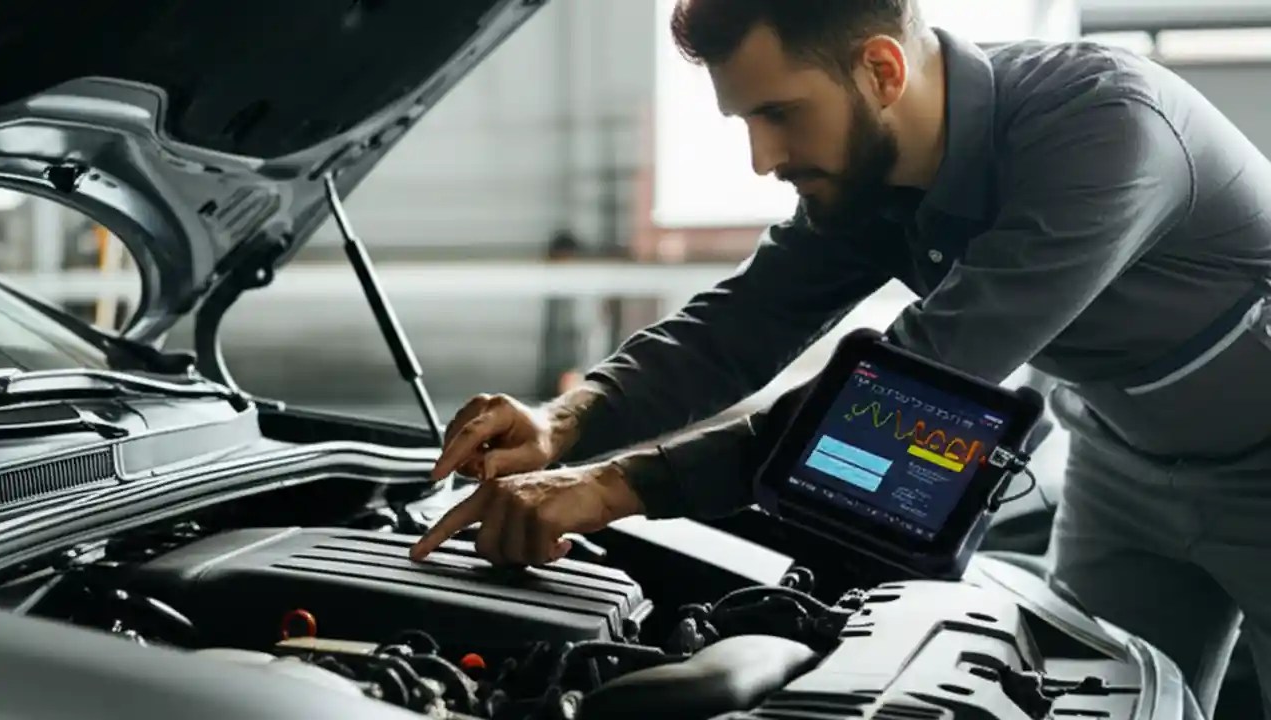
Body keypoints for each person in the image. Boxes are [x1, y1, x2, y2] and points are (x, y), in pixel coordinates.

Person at [411, 0, 1271, 715]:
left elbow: (909, 389)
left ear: (883, 71)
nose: (762, 158)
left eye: (779, 113)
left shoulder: (1103, 132)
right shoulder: (875, 174)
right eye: (746, 120)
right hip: (1119, 463)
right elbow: (739, 322)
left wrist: (609, 487)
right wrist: (565, 421)